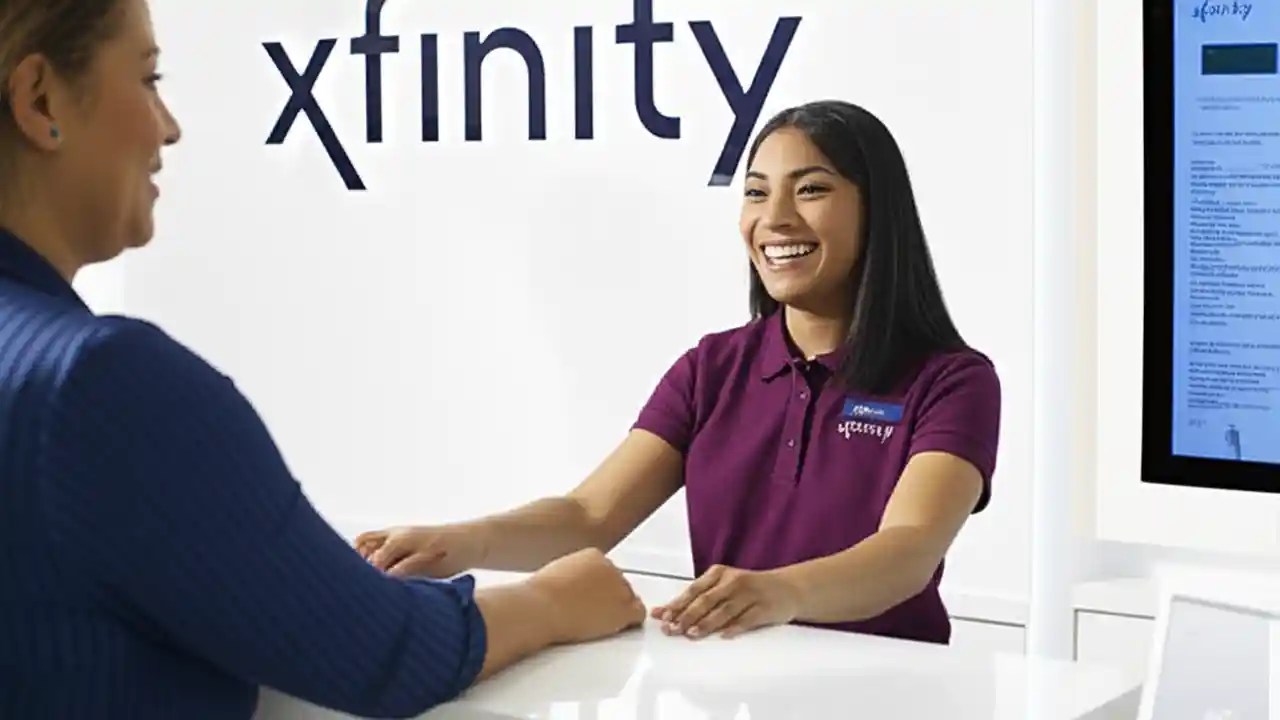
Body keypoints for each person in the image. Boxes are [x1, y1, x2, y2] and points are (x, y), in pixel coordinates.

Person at [0, 0, 645, 718]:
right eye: (148, 80)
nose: (169, 127)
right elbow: (377, 651)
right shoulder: (96, 383)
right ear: (40, 100)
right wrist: (551, 601)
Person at [358, 100, 1002, 645]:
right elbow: (588, 516)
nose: (774, 218)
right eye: (756, 192)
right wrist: (460, 545)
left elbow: (910, 551)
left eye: (810, 189)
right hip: (737, 689)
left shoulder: (952, 381)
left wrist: (782, 591)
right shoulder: (711, 368)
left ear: (876, 210)